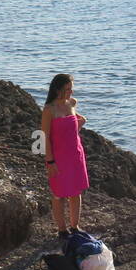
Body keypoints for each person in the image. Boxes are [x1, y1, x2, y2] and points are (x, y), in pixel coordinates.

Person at [41, 73, 89, 242]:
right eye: (67, 89)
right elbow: (44, 137)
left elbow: (71, 130)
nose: (71, 92)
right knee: (58, 194)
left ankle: (75, 227)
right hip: (58, 158)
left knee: (76, 192)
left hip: (76, 154)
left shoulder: (73, 103)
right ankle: (62, 230)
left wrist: (80, 123)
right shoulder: (49, 109)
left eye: (71, 88)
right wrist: (50, 161)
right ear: (57, 89)